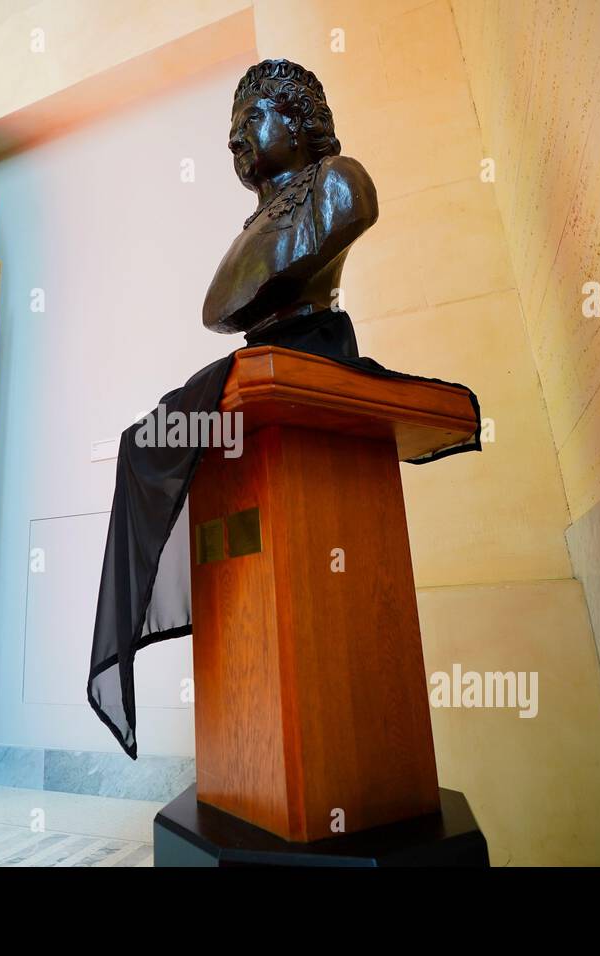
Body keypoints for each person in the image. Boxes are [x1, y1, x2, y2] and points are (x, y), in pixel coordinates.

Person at [87, 59, 481, 758]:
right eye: (231, 128)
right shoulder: (245, 237)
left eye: (250, 120)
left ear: (298, 123)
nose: (233, 139)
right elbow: (219, 310)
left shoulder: (341, 187)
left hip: (312, 362)